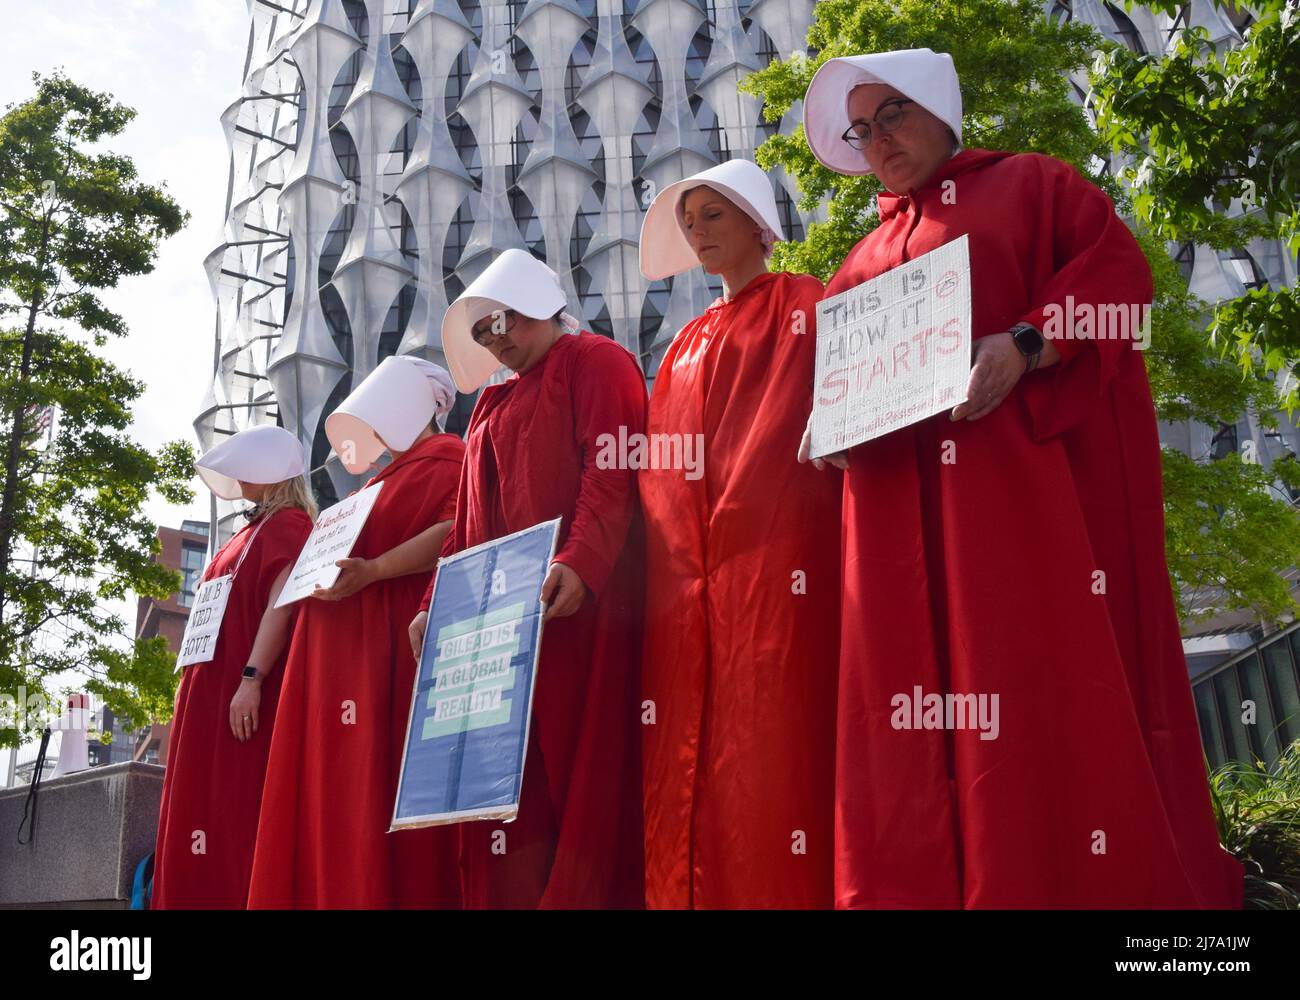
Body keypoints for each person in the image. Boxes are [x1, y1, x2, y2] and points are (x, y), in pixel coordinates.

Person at [797, 47, 1243, 908]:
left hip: (1015, 519)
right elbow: (838, 391)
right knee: (903, 724)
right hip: (895, 544)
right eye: (862, 127)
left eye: (892, 113)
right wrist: (827, 427)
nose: (877, 139)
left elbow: (1122, 279)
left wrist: (1031, 341)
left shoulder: (1034, 185)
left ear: (937, 105)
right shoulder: (853, 266)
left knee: (1033, 699)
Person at [408, 249, 646, 908]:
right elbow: (467, 523)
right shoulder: (486, 403)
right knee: (506, 792)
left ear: (542, 305)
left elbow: (613, 465)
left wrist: (582, 559)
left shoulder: (594, 360)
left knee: (585, 771)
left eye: (506, 321)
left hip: (581, 613)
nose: (498, 339)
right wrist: (436, 602)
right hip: (496, 633)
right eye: (483, 331)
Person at [636, 159, 841, 907]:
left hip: (777, 576)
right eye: (689, 222)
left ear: (758, 221)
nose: (696, 233)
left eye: (712, 215)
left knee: (774, 755)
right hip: (686, 598)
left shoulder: (808, 304)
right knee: (687, 766)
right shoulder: (682, 346)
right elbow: (659, 478)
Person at [247, 356, 465, 908]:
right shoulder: (379, 480)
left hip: (380, 651)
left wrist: (375, 570)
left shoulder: (449, 457)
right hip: (333, 664)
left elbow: (458, 528)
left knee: (371, 788)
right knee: (335, 798)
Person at [152, 425, 315, 908]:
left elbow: (281, 605)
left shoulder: (290, 526)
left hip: (237, 693)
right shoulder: (244, 532)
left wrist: (252, 678)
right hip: (205, 693)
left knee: (230, 808)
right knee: (194, 808)